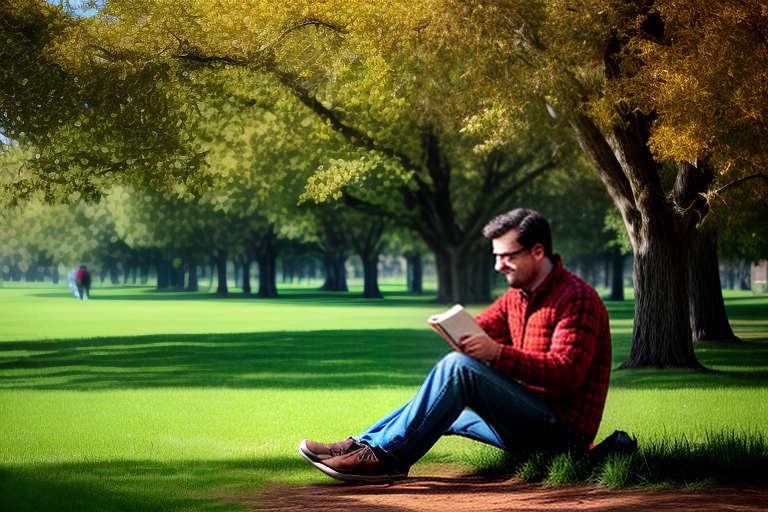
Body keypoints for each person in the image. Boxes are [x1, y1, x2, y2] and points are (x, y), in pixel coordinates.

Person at [299, 208, 612, 483]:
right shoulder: (517, 297)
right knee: (439, 407)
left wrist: (497, 354)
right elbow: (480, 329)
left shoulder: (577, 299)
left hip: (564, 434)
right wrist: (453, 327)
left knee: (455, 367)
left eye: (507, 256)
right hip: (525, 419)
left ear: (538, 251)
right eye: (496, 257)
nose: (499, 265)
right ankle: (361, 445)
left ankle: (386, 459)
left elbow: (566, 371)